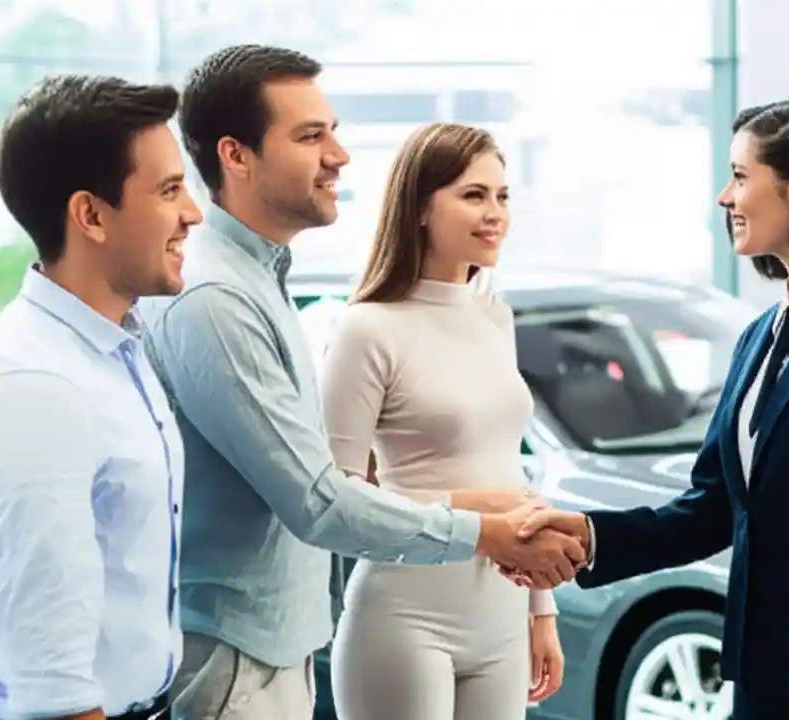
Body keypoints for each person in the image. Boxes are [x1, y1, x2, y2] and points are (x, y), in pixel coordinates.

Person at [140, 45, 583, 720]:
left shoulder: (264, 282)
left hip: (285, 646)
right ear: (236, 155)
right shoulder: (221, 300)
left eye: (335, 132)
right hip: (260, 649)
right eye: (310, 135)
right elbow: (321, 498)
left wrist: (535, 601)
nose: (339, 155)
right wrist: (481, 524)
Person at [518, 97, 789, 720]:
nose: (726, 197)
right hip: (758, 684)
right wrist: (591, 538)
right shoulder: (758, 339)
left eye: (742, 176)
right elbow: (712, 509)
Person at [0, 75, 202, 720]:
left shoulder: (113, 350)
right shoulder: (35, 384)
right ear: (90, 215)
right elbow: (49, 671)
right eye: (169, 190)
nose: (193, 213)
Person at [321, 123, 563, 720]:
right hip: (406, 615)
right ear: (421, 208)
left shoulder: (495, 318)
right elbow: (337, 500)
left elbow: (509, 475)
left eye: (502, 196)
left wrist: (542, 611)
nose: (495, 213)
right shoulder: (366, 328)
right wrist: (470, 505)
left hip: (502, 613)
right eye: (473, 195)